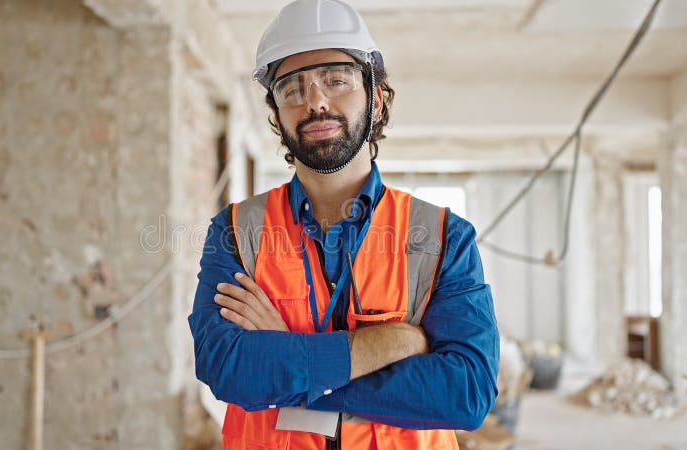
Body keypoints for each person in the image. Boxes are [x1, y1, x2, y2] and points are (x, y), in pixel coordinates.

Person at [188, 1, 499, 448]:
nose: (314, 100)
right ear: (277, 114)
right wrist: (393, 343)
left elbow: (466, 393)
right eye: (292, 87)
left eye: (336, 79)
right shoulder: (237, 230)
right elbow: (230, 369)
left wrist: (291, 363)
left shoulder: (443, 236)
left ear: (375, 97)